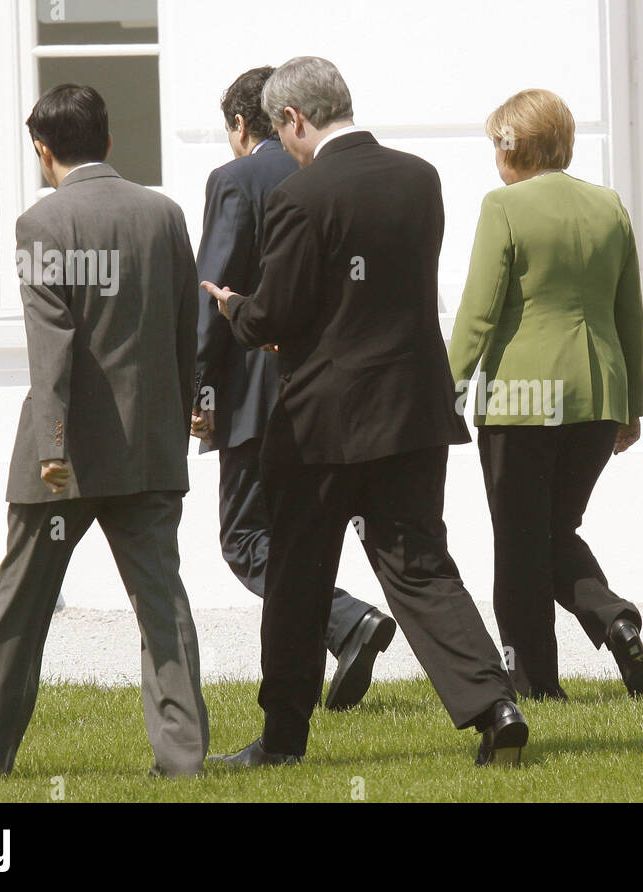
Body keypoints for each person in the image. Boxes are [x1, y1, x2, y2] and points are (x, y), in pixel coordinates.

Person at [201, 57, 526, 767]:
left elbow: (276, 314)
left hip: (321, 420)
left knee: (297, 575)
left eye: (282, 131)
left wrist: (234, 309)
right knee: (420, 565)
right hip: (412, 407)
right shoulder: (420, 178)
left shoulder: (300, 194)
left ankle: (283, 740)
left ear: (292, 120)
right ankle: (493, 704)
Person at [0, 84, 209, 778]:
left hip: (68, 460)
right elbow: (185, 333)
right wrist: (185, 419)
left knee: (20, 608)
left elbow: (50, 347)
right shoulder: (165, 215)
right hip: (147, 451)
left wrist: (52, 445)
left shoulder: (40, 226)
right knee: (163, 608)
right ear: (109, 142)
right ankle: (182, 758)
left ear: (42, 151)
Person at [193, 66, 394, 710]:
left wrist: (196, 390)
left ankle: (344, 621)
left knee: (246, 537)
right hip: (336, 388)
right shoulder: (332, 167)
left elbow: (214, 294)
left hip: (255, 390)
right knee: (300, 531)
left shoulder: (237, 179)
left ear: (241, 124)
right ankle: (318, 656)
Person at [448, 89, 643, 701]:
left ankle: (534, 682)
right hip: (596, 395)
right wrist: (631, 405)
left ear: (515, 148)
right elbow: (629, 315)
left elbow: (478, 315)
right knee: (555, 531)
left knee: (519, 544)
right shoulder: (608, 205)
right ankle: (614, 619)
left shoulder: (503, 206)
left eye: (498, 146)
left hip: (522, 398)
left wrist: (443, 392)